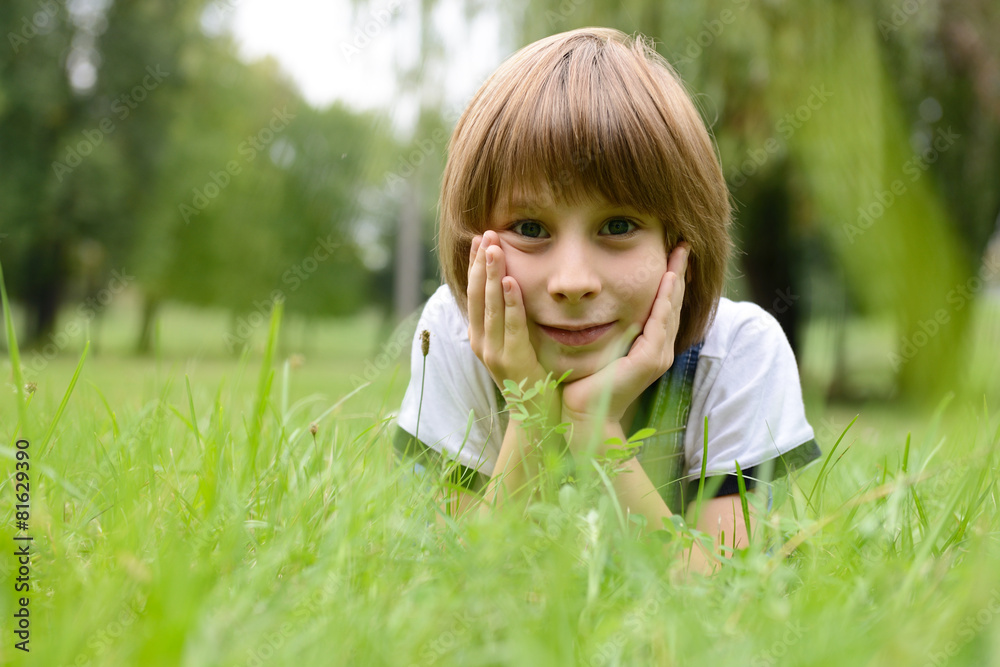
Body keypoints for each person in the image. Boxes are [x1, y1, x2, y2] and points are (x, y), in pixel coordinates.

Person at [392, 27, 819, 572]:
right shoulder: (454, 336)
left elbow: (721, 600)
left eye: (617, 225)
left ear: (681, 242)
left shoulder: (738, 354)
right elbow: (460, 589)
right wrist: (530, 411)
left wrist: (597, 430)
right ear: (474, 245)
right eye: (530, 226)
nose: (573, 280)